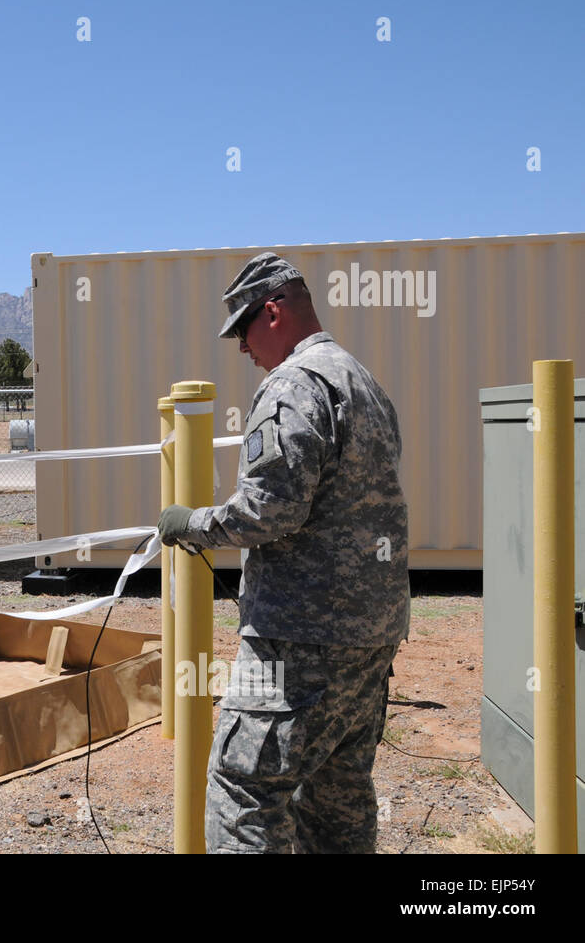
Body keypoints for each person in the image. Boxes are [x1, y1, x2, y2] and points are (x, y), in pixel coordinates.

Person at [156, 252, 410, 854]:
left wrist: (191, 522)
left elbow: (271, 510)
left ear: (273, 311)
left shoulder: (294, 385)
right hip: (370, 637)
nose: (241, 347)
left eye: (243, 329)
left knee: (245, 791)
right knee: (336, 796)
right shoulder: (361, 381)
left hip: (298, 640)